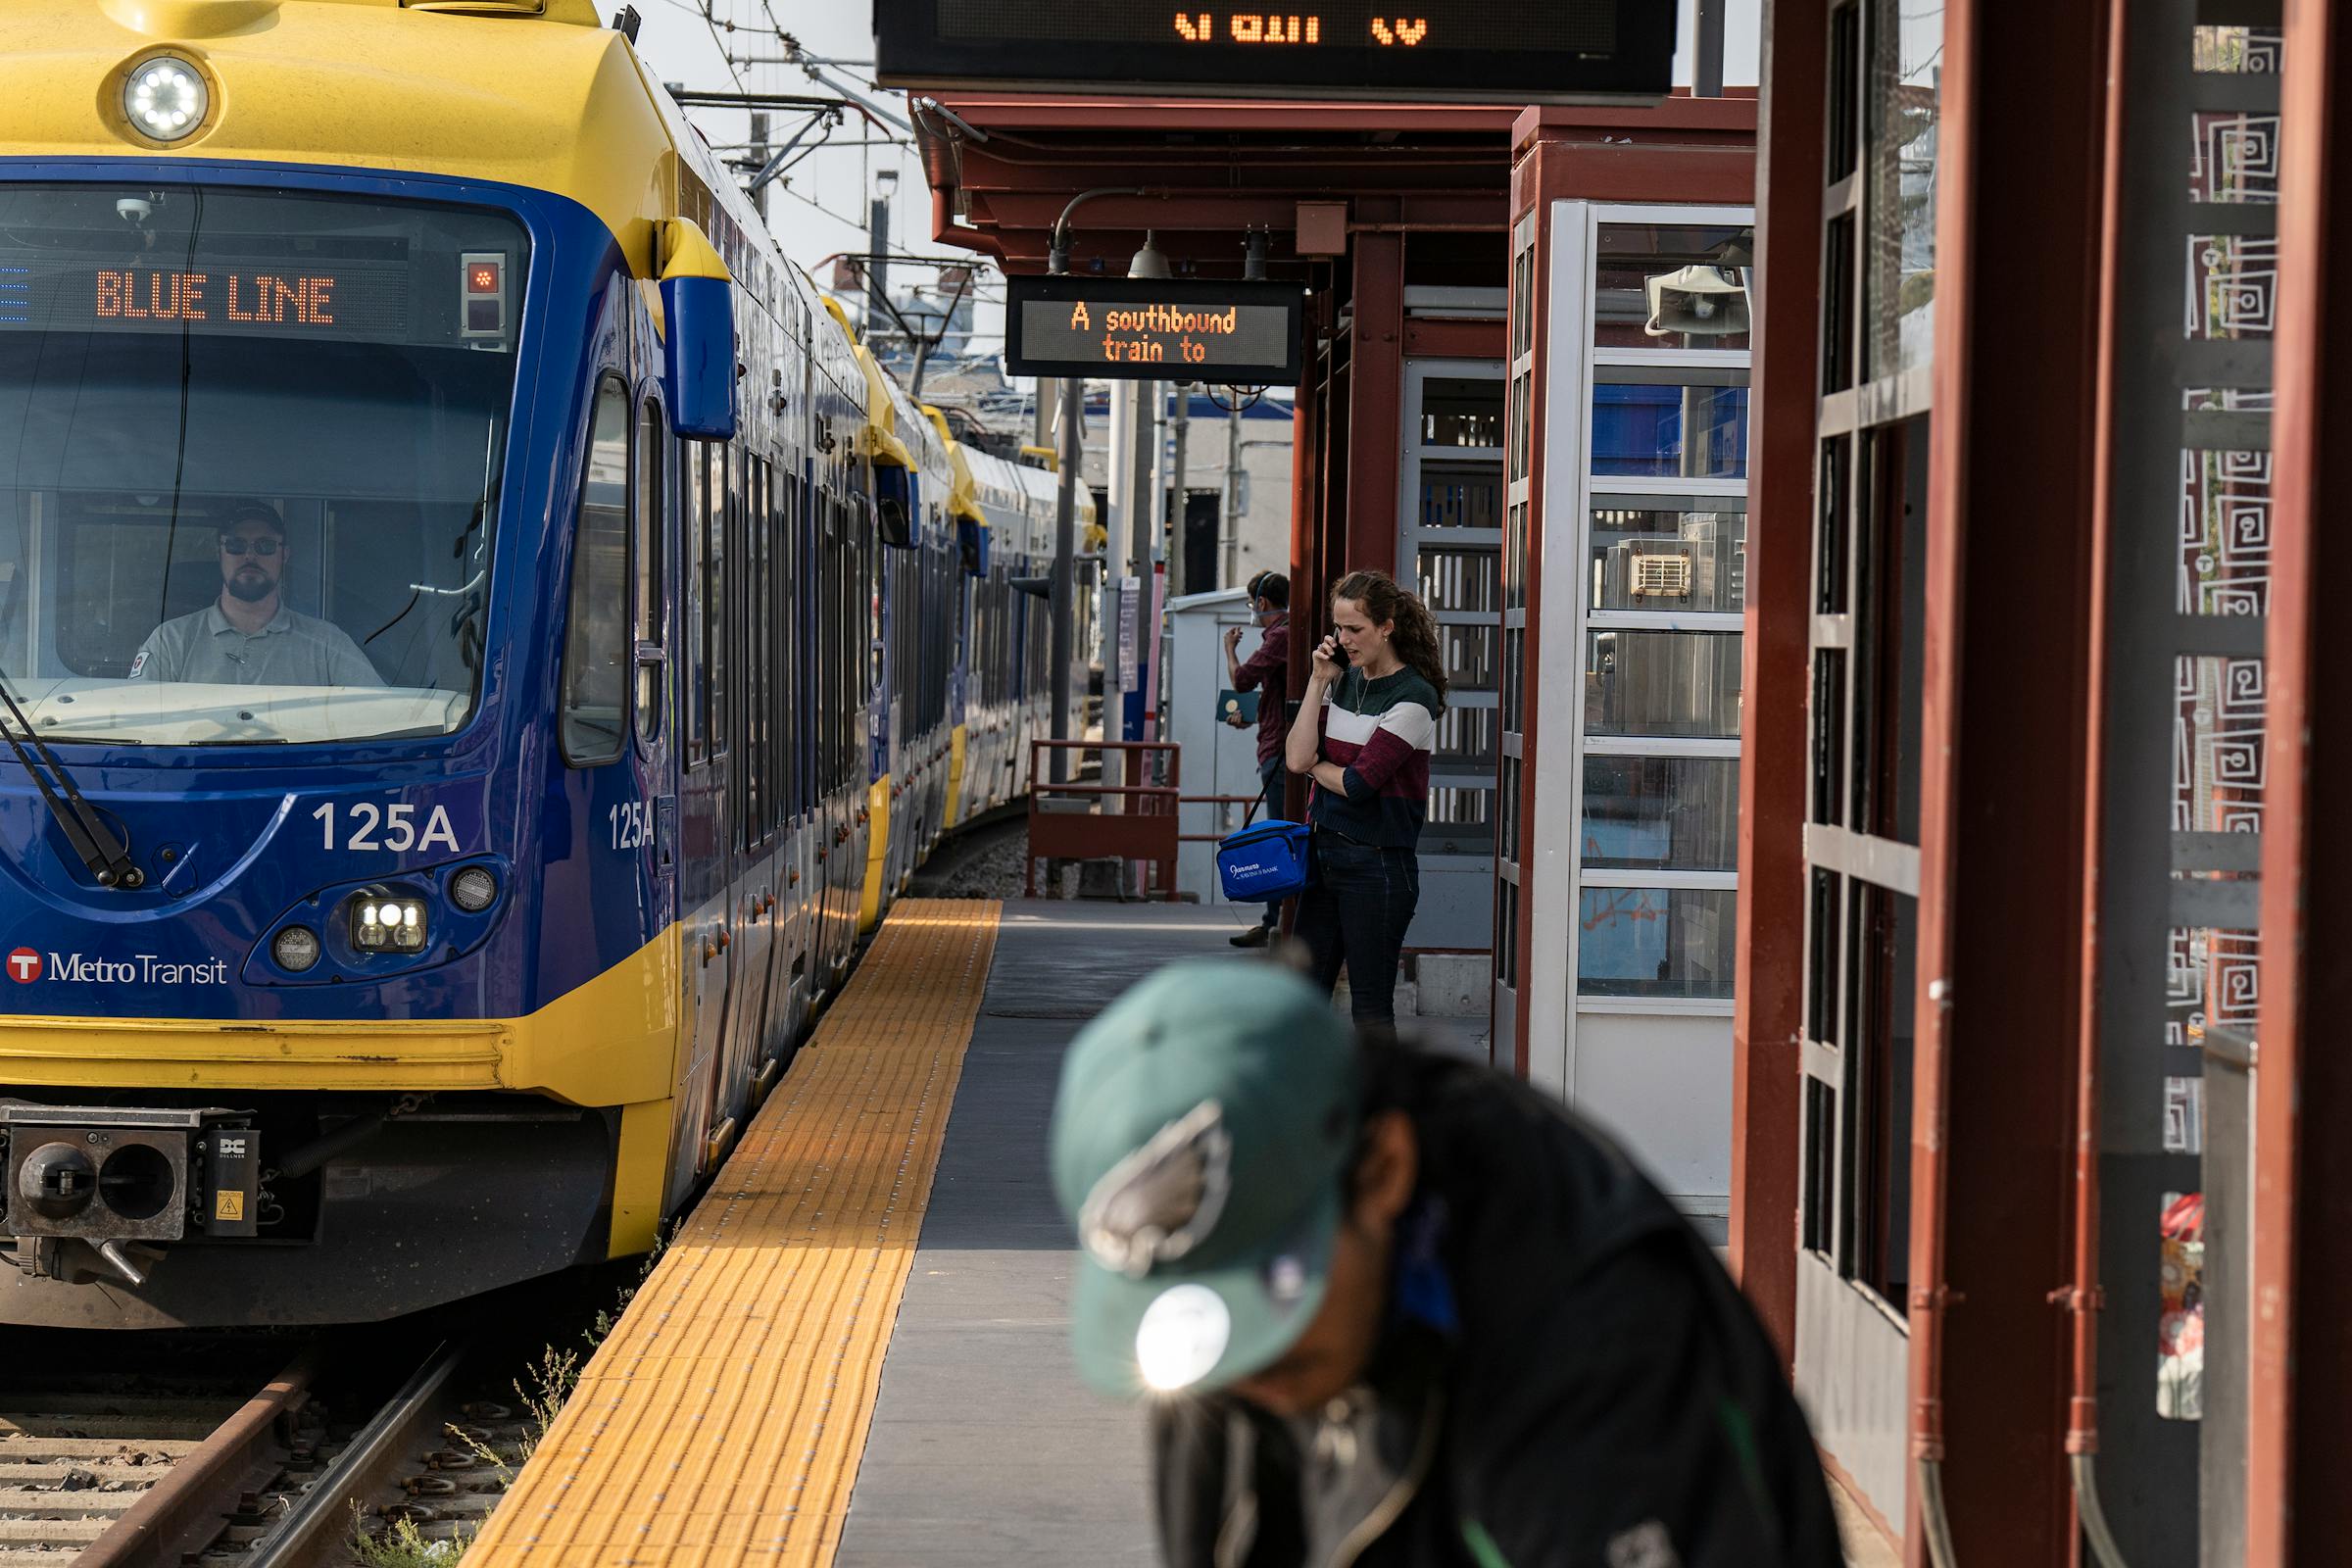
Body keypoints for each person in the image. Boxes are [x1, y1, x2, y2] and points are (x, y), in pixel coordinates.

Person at [1050, 959, 1844, 1567]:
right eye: (1201, 1328)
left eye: (1277, 1296)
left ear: (1384, 1171)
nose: (1250, 1364)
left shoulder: (1596, 1343)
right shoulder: (1224, 1325)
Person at [1285, 569, 1443, 1033]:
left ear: (1387, 627)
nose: (1344, 639)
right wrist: (1318, 681)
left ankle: (1384, 1106)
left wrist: (1315, 765)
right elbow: (1295, 757)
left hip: (1377, 866)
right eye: (1339, 628)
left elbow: (1359, 783)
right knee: (1302, 1001)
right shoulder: (1344, 680)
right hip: (1324, 854)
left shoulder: (1415, 697)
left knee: (1370, 1008)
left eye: (1356, 629)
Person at [130, 503, 381, 687]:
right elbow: (139, 723)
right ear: (219, 553)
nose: (250, 556)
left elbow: (378, 715)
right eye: (236, 545)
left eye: (265, 545)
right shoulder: (170, 640)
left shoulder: (328, 643)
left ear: (284, 554)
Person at [1223, 569, 1293, 949]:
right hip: (1277, 745)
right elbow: (1273, 694)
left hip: (1279, 753)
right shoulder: (1287, 634)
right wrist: (1248, 717)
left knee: (1277, 837)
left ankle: (1274, 922)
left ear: (1262, 603)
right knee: (1279, 836)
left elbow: (1243, 680)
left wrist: (1230, 649)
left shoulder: (1280, 635)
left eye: (1253, 605)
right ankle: (1274, 918)